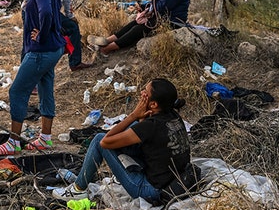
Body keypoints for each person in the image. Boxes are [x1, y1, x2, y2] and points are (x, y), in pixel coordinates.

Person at [52, 78, 190, 203]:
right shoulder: (172, 115)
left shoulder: (150, 126)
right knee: (131, 127)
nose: (142, 92)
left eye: (145, 92)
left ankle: (78, 189)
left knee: (98, 138)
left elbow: (105, 142)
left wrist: (133, 115)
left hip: (150, 191)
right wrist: (138, 119)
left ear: (153, 104)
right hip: (174, 181)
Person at [0, 0, 66, 155]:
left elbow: (47, 12)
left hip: (41, 51)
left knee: (17, 91)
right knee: (45, 88)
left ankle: (13, 142)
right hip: (54, 49)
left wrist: (41, 33)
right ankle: (45, 138)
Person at [89, 0, 190, 55]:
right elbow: (155, 5)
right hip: (165, 18)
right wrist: (142, 7)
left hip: (174, 22)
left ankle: (106, 49)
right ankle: (107, 40)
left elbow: (159, 8)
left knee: (140, 28)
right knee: (135, 23)